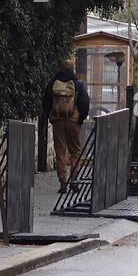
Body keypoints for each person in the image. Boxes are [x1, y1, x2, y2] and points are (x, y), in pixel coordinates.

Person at [42, 55, 90, 192]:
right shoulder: (78, 84)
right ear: (73, 69)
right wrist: (80, 119)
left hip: (58, 121)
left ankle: (63, 182)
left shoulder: (53, 83)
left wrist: (52, 117)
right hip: (74, 121)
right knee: (75, 151)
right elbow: (84, 103)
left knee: (60, 151)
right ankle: (74, 180)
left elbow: (45, 103)